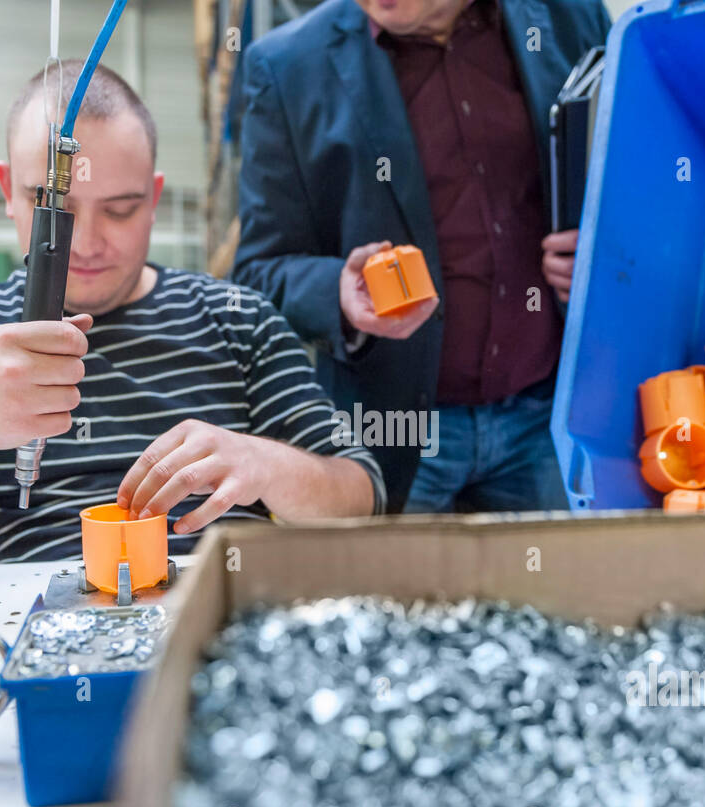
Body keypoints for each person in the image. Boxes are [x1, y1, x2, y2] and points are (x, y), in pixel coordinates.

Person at [0, 62, 383, 562]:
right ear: (6, 190)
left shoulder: (238, 320)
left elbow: (363, 496)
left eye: (121, 209)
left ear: (154, 197)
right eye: (53, 205)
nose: (82, 244)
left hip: (213, 615)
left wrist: (267, 464)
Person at [232, 0, 610, 513]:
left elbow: (629, 165)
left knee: (545, 590)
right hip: (394, 429)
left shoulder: (569, 16)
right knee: (390, 594)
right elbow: (259, 271)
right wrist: (337, 293)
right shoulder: (287, 67)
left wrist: (601, 247)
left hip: (547, 417)